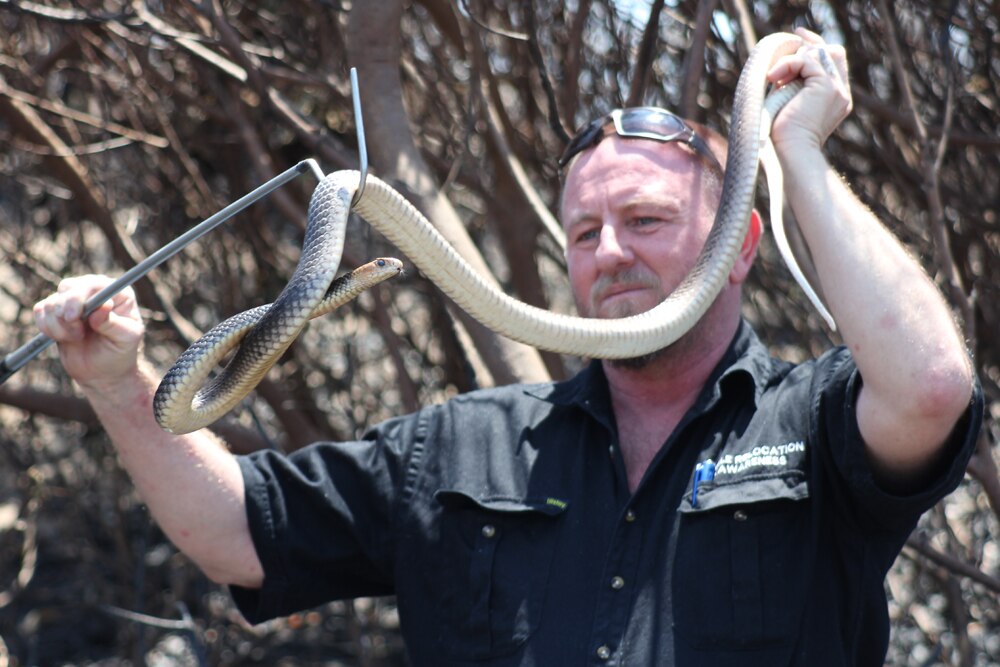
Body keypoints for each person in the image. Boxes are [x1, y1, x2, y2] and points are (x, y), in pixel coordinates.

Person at [33, 29, 981, 666]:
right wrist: (120, 385)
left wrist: (799, 152)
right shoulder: (462, 447)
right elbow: (239, 533)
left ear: (739, 244)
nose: (610, 253)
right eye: (584, 232)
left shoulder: (816, 426)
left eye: (646, 219)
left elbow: (933, 385)